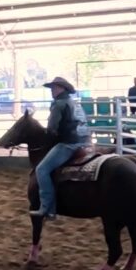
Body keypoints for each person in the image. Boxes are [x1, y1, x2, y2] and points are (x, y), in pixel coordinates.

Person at [31, 77, 91, 220]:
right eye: (52, 88)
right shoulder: (74, 103)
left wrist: (48, 139)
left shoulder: (58, 104)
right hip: (84, 142)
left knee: (41, 170)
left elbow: (52, 129)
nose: (52, 91)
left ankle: (47, 208)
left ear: (62, 88)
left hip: (69, 144)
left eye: (54, 88)